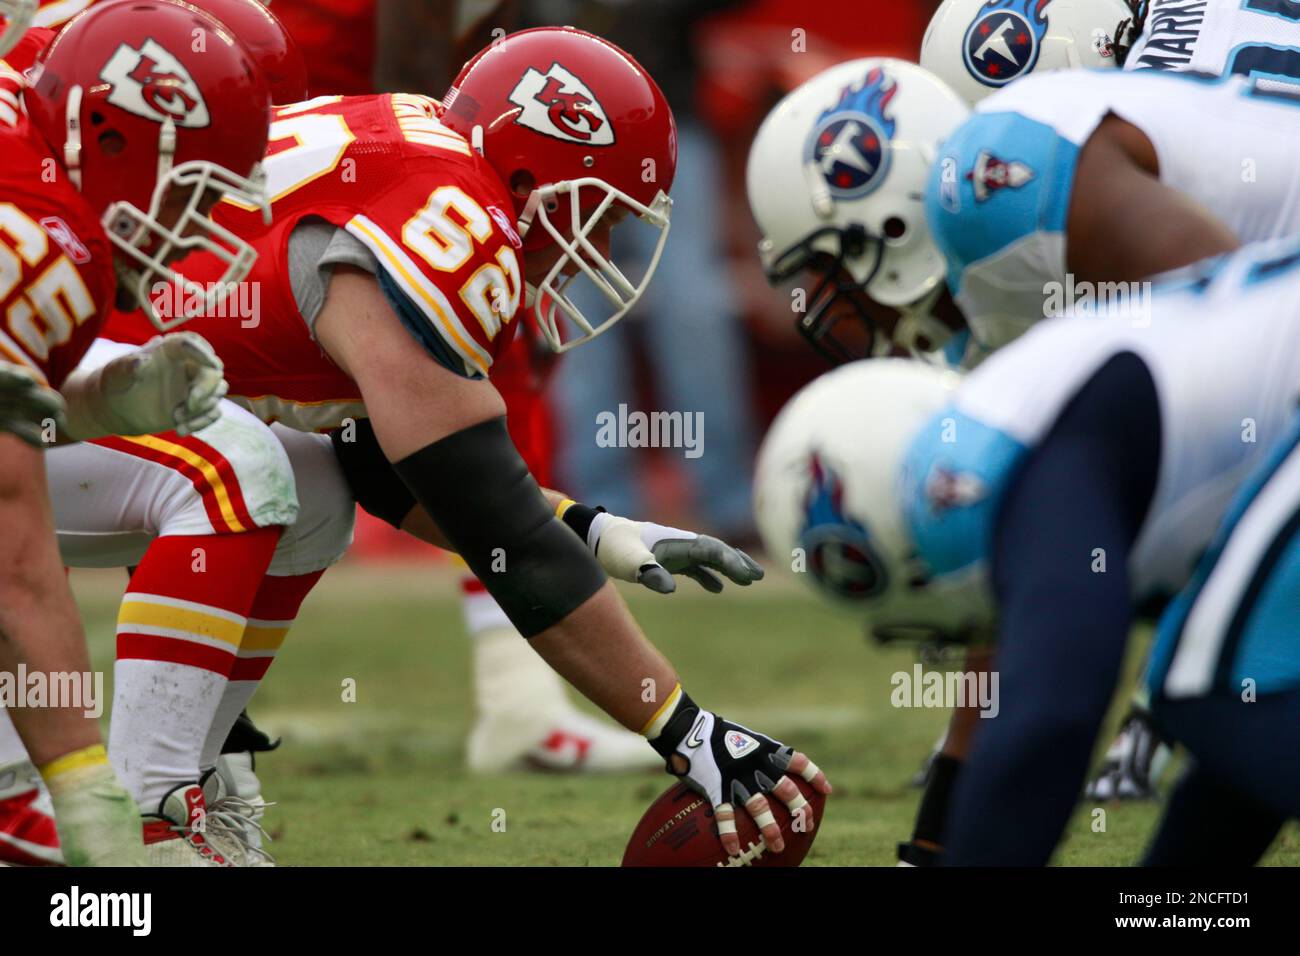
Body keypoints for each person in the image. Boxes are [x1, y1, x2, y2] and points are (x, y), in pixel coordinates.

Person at [753, 233, 1300, 864]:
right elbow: (1237, 773)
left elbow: (1051, 721)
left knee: (1203, 689)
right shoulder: (1022, 409)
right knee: (1232, 689)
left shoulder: (990, 470)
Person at [0, 0, 273, 865]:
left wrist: (103, 404)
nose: (193, 229)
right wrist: (82, 781)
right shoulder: (47, 239)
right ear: (109, 139)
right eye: (190, 188)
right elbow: (13, 557)